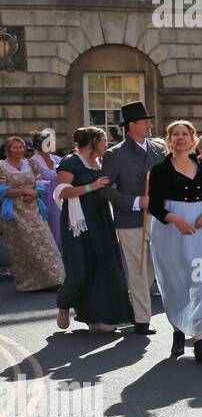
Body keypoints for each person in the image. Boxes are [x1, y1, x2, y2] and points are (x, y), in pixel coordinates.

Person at [149, 121, 202, 364]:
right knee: (176, 281)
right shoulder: (160, 169)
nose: (180, 138)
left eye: (185, 134)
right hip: (170, 231)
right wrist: (175, 219)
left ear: (192, 139)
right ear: (169, 139)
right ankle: (178, 329)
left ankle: (201, 339)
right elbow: (154, 206)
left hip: (201, 231)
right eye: (175, 134)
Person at [54, 127, 131, 333]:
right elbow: (61, 192)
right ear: (93, 141)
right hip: (78, 223)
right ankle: (64, 302)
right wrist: (92, 187)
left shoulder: (100, 163)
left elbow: (103, 187)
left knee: (102, 266)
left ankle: (96, 317)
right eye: (104, 140)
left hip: (101, 218)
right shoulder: (71, 161)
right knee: (80, 267)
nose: (107, 144)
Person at [99, 101, 166, 335]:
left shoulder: (159, 150)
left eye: (149, 121)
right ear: (131, 125)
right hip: (129, 220)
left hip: (158, 218)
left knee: (152, 270)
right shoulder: (114, 154)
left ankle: (130, 301)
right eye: (145, 121)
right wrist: (136, 201)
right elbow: (106, 190)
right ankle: (142, 320)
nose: (150, 124)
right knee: (137, 271)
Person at [0, 135, 64, 291]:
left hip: (34, 209)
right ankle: (31, 283)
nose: (19, 150)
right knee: (22, 247)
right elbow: (1, 189)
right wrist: (23, 191)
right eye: (15, 147)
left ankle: (54, 279)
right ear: (8, 150)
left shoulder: (31, 164)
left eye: (21, 147)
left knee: (45, 243)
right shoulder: (1, 166)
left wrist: (36, 192)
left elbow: (39, 183)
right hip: (13, 211)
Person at [29, 130, 63, 252]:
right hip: (45, 197)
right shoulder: (33, 161)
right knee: (49, 226)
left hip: (60, 195)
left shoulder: (58, 159)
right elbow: (32, 181)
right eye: (49, 143)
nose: (52, 144)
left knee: (61, 226)